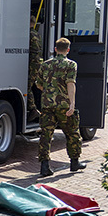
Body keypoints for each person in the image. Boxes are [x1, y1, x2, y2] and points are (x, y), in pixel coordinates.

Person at [36, 37, 85, 176]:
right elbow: (71, 84)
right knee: (72, 133)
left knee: (46, 135)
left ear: (56, 49)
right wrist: (72, 103)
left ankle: (44, 166)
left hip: (47, 105)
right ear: (68, 50)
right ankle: (74, 163)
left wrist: (49, 92)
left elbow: (38, 84)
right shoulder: (71, 65)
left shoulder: (45, 65)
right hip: (63, 105)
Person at [27, 15, 42, 122]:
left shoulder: (28, 34)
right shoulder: (36, 34)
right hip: (37, 64)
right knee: (35, 86)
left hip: (31, 63)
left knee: (27, 87)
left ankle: (33, 109)